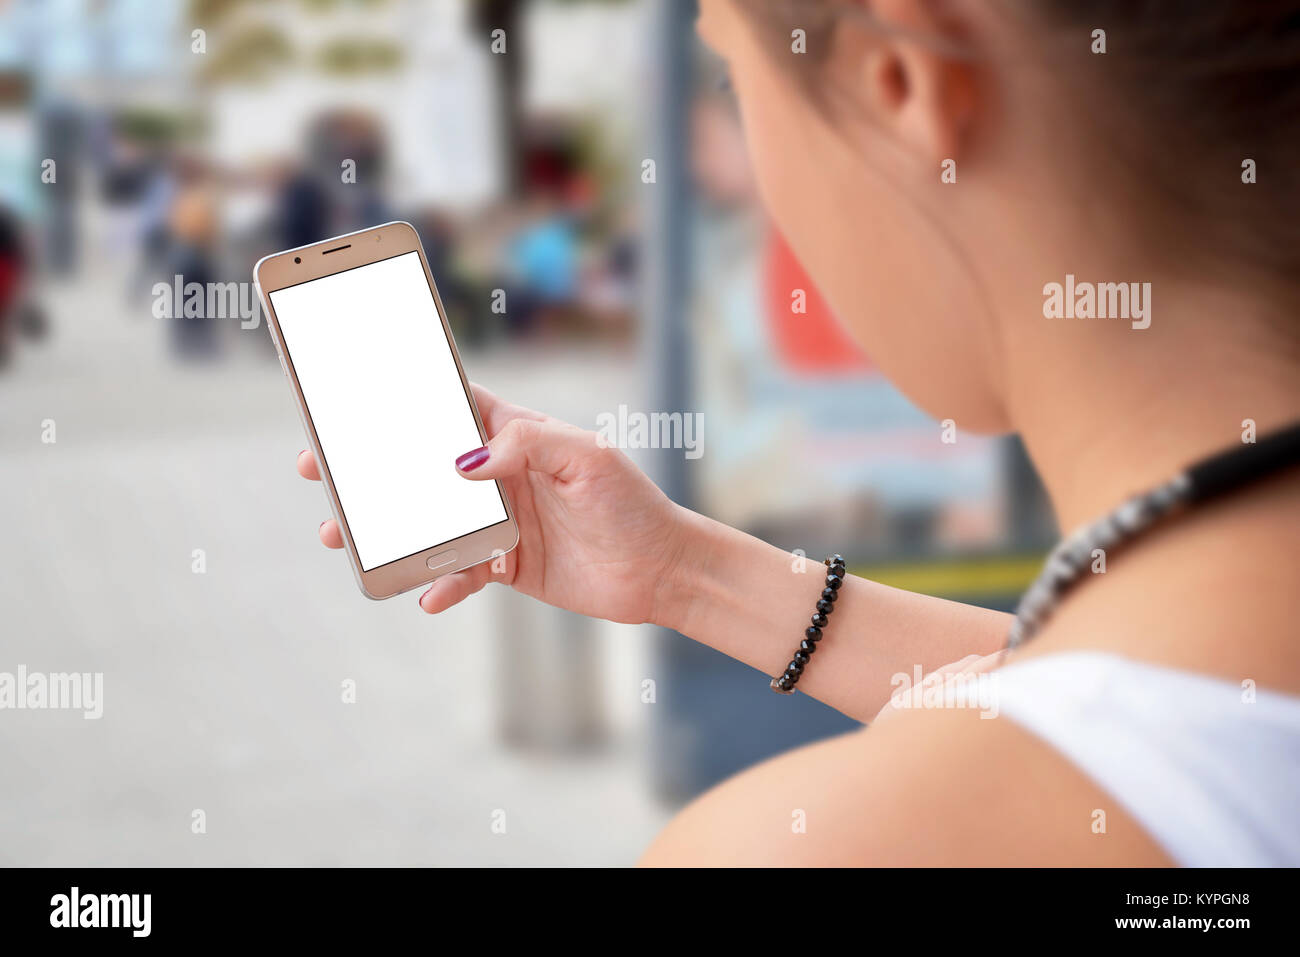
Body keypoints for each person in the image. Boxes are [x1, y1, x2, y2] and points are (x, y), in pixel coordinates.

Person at [296, 0, 1300, 865]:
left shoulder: (807, 852)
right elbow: (1159, 711)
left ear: (900, 79)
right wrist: (685, 573)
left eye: (735, 77)